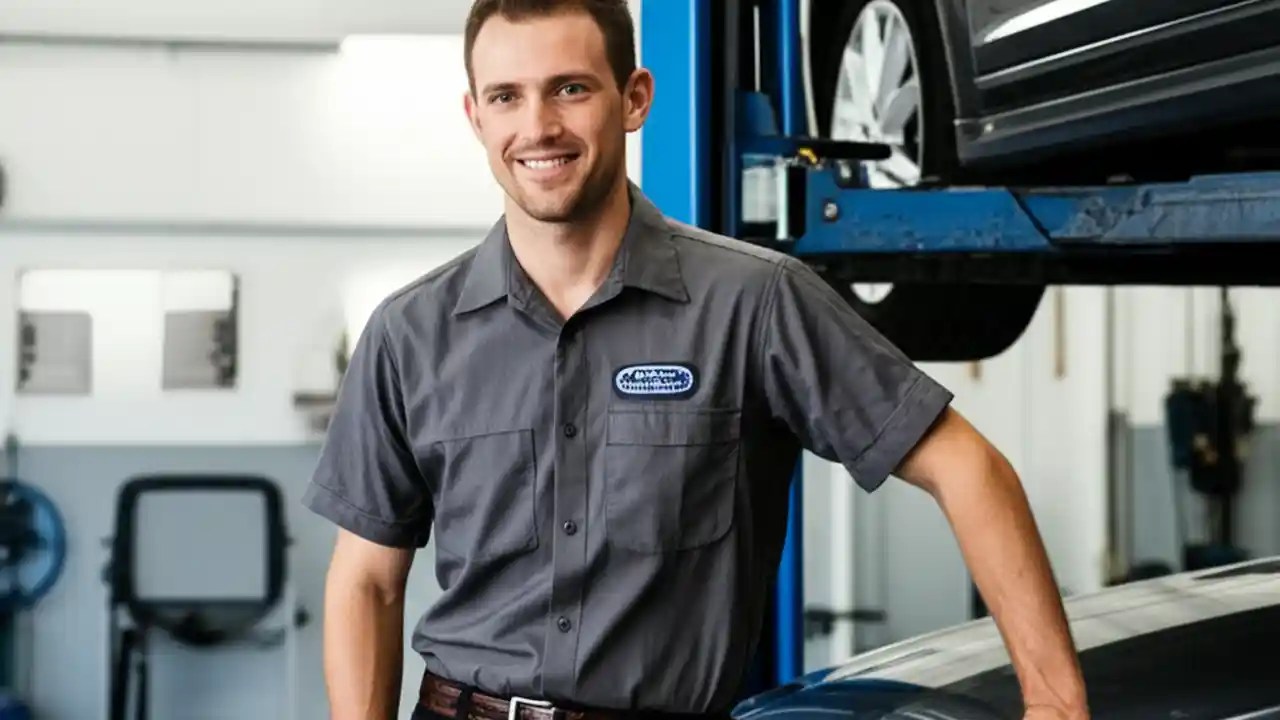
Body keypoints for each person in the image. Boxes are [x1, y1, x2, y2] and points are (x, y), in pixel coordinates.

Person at [301, 1, 1091, 719]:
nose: (537, 126)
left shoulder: (755, 304)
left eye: (571, 89)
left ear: (634, 98)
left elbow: (968, 469)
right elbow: (368, 580)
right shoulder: (410, 334)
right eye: (507, 96)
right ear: (476, 116)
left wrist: (1054, 703)